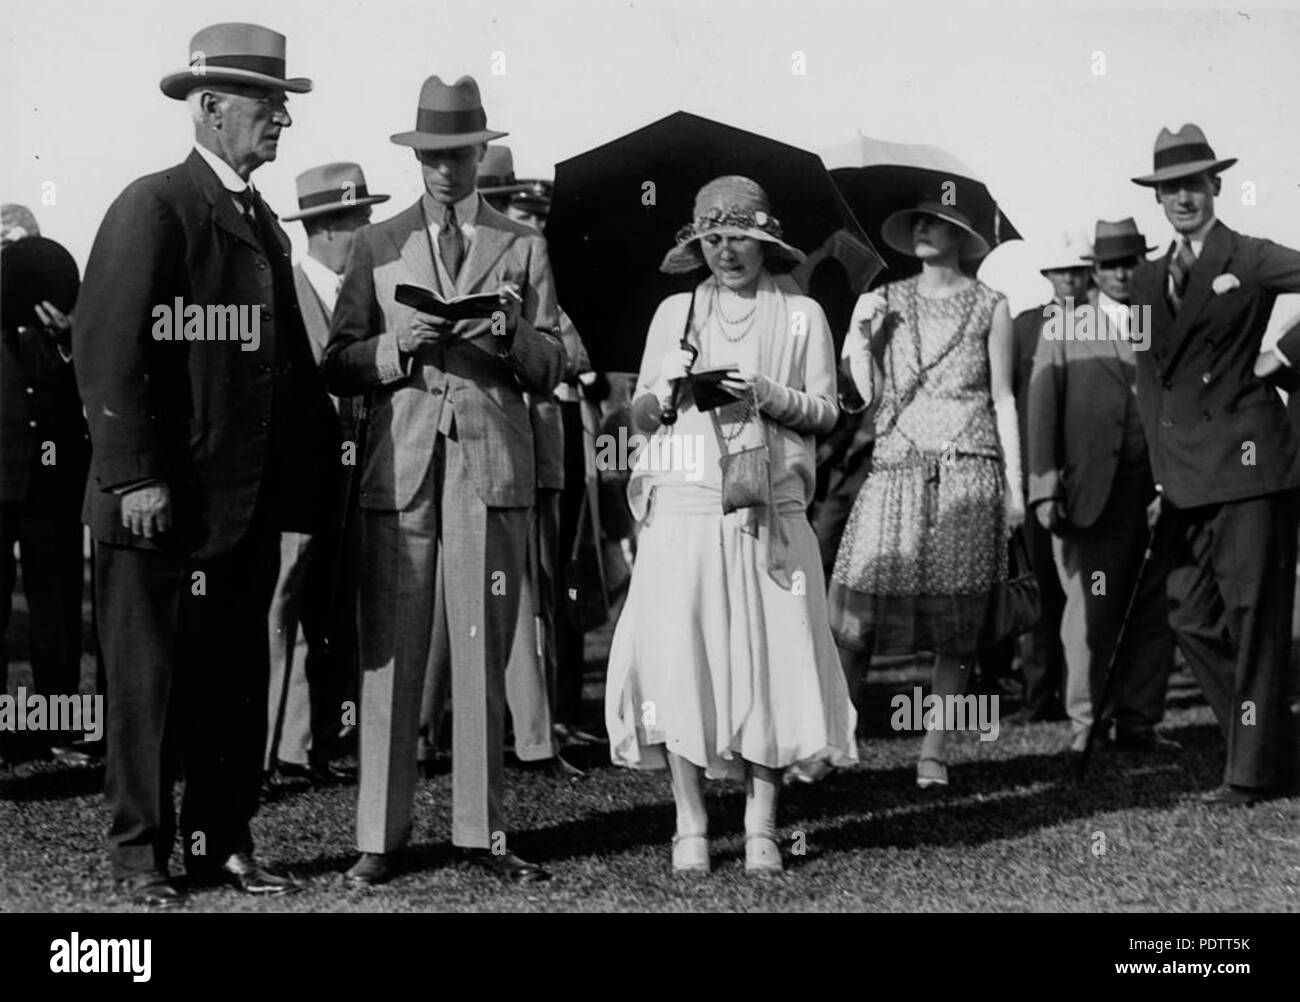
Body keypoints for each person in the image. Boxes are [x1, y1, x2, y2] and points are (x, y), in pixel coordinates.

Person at [74, 23, 341, 906]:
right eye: (269, 104)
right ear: (210, 106)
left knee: (233, 684)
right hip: (161, 503)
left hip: (239, 506)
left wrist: (306, 487)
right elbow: (107, 349)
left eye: (284, 106)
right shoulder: (153, 206)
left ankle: (222, 844)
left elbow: (285, 371)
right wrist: (134, 476)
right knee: (148, 688)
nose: (282, 121)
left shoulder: (258, 219)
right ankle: (139, 858)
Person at [323, 75, 565, 887]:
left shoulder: (522, 244)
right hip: (401, 466)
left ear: (478, 154)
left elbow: (554, 364)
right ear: (417, 156)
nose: (444, 169)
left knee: (481, 652)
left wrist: (512, 332)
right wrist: (399, 347)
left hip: (490, 469)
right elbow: (338, 362)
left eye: (458, 154)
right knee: (389, 656)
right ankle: (378, 838)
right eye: (432, 155)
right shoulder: (378, 243)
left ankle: (480, 834)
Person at [604, 175, 857, 874]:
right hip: (684, 502)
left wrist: (766, 393)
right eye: (713, 239)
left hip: (766, 503)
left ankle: (760, 825)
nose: (726, 251)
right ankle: (689, 822)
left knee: (770, 652)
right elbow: (641, 416)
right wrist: (665, 389)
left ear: (764, 242)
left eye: (738, 238)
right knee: (678, 652)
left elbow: (826, 412)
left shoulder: (801, 313)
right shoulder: (675, 312)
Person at [1129, 123, 1300, 805]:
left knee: (1255, 615)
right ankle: (1272, 746)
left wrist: (1283, 355)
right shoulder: (1145, 279)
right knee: (1190, 617)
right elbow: (1149, 380)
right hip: (1184, 477)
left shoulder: (1248, 256)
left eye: (1194, 185)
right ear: (1157, 197)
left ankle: (1252, 771)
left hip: (1251, 466)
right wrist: (1159, 475)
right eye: (1170, 188)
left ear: (1215, 186)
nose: (1183, 198)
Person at [829, 199, 1024, 789]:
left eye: (935, 220)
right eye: (915, 219)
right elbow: (867, 396)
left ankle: (934, 751)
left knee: (957, 621)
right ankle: (837, 738)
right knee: (858, 609)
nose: (922, 227)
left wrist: (1015, 486)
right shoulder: (885, 300)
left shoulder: (992, 304)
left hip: (969, 469)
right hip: (896, 466)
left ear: (963, 235)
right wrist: (859, 340)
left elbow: (1003, 398)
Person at [1027, 218, 1178, 754]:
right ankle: (1087, 721)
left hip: (1160, 492)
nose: (1121, 274)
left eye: (1130, 262)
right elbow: (1042, 411)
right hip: (1090, 494)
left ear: (1144, 264)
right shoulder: (1064, 327)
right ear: (1094, 270)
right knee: (1089, 610)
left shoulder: (1165, 321)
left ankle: (1139, 721)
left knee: (1154, 610)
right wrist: (1045, 487)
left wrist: (1173, 481)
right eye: (1110, 265)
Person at [262, 162, 389, 788]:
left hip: (356, 475)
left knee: (336, 610)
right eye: (363, 221)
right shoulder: (281, 292)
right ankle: (265, 751)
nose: (371, 233)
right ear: (331, 227)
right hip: (298, 477)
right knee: (281, 606)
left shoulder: (366, 294)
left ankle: (311, 744)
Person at [1, 230, 93, 769]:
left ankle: (56, 732)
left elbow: (97, 377)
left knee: (56, 610)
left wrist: (72, 335)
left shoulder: (64, 318)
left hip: (54, 484)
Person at [1003, 234, 1092, 725]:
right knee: (1037, 588)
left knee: (1086, 589)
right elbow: (1005, 398)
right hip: (1037, 476)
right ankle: (1039, 697)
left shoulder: (1108, 325)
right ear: (1047, 276)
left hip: (1092, 475)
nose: (1069, 279)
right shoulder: (1024, 326)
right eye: (1061, 271)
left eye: (1078, 270)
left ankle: (1088, 693)